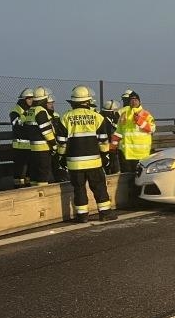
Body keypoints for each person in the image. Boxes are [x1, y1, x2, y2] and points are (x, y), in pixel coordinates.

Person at [57, 86, 116, 222]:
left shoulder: (65, 117)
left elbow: (61, 142)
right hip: (94, 162)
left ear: (73, 102)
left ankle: (82, 215)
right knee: (99, 187)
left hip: (75, 163)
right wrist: (105, 156)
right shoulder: (97, 117)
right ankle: (105, 213)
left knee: (79, 188)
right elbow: (103, 141)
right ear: (88, 101)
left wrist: (61, 157)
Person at [112, 89, 155, 176]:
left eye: (136, 100)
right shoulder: (124, 114)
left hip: (141, 154)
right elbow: (118, 131)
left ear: (139, 101)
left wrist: (140, 122)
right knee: (126, 178)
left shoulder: (146, 114)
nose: (134, 102)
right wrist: (113, 146)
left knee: (140, 177)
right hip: (126, 154)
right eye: (131, 100)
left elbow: (152, 129)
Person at [23, 87, 58, 185]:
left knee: (34, 174)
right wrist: (53, 144)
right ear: (43, 99)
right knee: (43, 174)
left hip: (33, 147)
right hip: (43, 147)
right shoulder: (41, 111)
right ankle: (42, 193)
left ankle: (33, 191)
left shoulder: (31, 110)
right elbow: (46, 131)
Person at [9, 88, 35, 188]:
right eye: (29, 99)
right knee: (19, 166)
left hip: (30, 144)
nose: (31, 101)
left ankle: (28, 184)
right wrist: (26, 114)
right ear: (24, 99)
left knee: (31, 166)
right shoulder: (15, 110)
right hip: (19, 145)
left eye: (32, 98)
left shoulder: (33, 110)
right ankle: (18, 185)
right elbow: (15, 123)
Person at [45, 90, 68, 182]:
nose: (52, 105)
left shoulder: (56, 115)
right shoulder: (43, 115)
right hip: (47, 145)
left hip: (56, 144)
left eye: (52, 103)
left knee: (57, 164)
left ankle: (59, 179)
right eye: (49, 104)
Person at [100, 100, 121, 174]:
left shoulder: (111, 119)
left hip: (112, 147)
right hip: (107, 148)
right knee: (108, 166)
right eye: (115, 111)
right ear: (110, 112)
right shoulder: (104, 120)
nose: (116, 112)